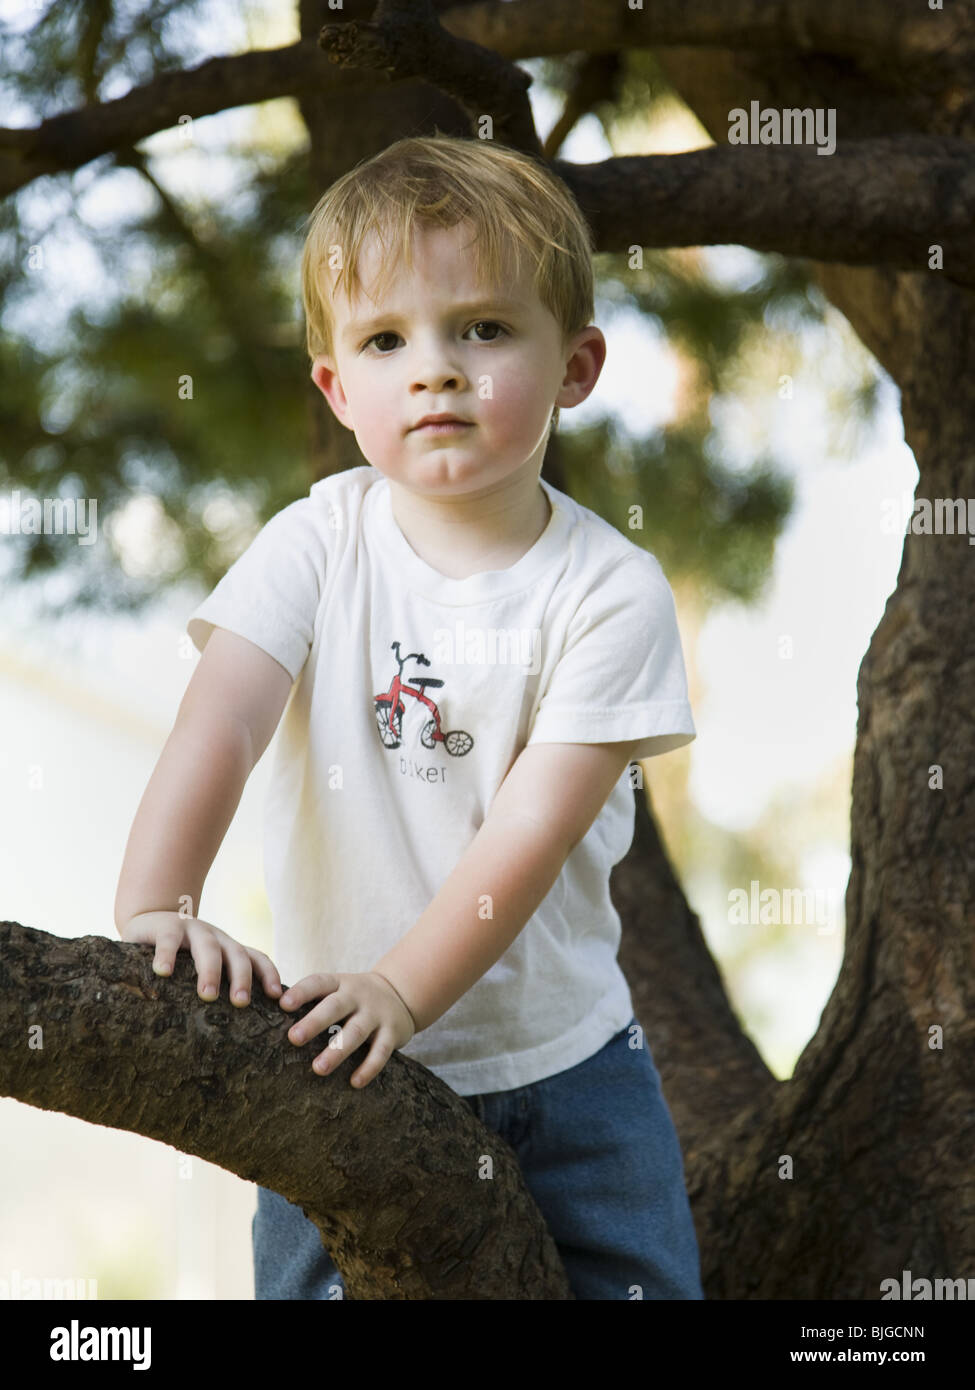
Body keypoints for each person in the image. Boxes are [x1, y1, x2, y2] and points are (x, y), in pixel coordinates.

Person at [113, 132, 704, 1301]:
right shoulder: (315, 543)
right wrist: (154, 905)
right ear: (338, 388)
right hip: (329, 1048)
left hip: (567, 1068)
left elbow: (529, 835)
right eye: (387, 340)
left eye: (483, 328)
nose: (434, 367)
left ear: (577, 365)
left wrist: (404, 987)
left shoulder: (610, 589)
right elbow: (219, 726)